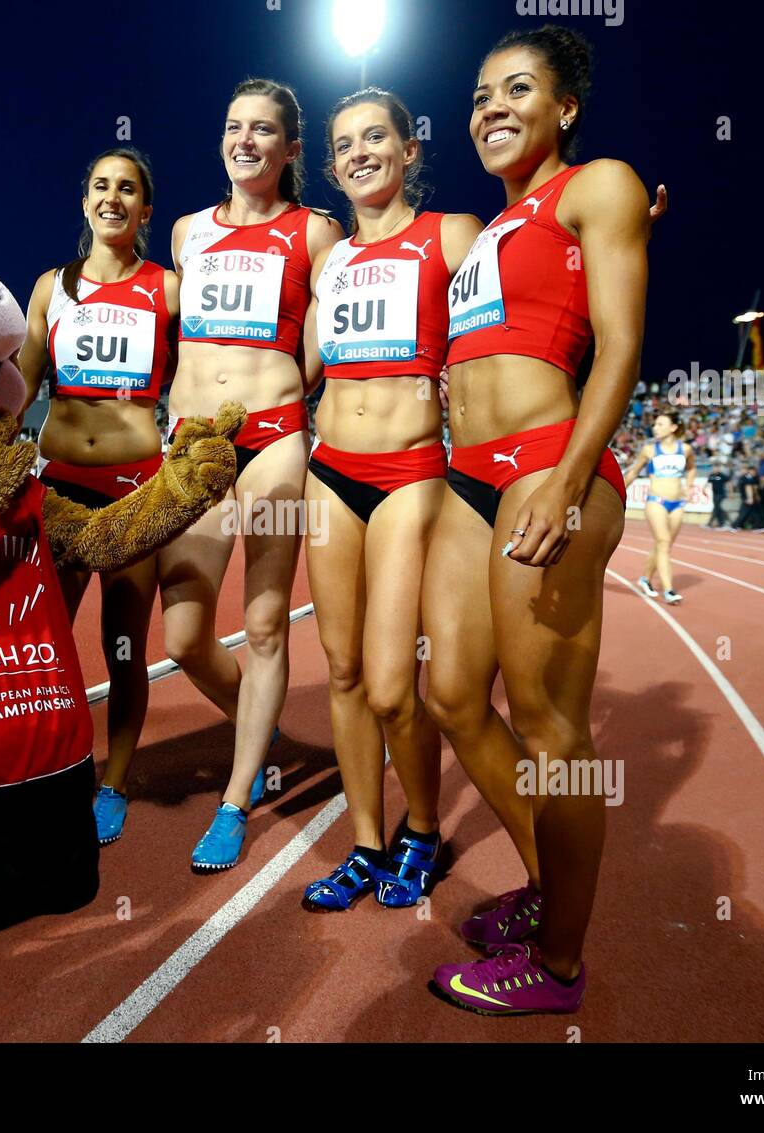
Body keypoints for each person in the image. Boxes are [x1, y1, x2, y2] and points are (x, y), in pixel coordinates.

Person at [425, 24, 650, 1016]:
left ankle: (558, 963)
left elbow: (619, 344)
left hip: (544, 464)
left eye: (517, 90)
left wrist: (563, 477)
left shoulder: (597, 183)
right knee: (450, 696)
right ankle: (540, 888)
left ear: (564, 107)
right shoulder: (494, 225)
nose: (491, 109)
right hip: (465, 476)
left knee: (551, 724)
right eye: (478, 95)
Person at [297, 88, 482, 911]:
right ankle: (367, 844)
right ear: (332, 164)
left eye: (377, 137)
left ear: (411, 151)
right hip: (328, 466)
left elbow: (511, 319)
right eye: (345, 143)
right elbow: (301, 370)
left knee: (389, 683)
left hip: (411, 473)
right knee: (340, 670)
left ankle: (424, 829)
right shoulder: (329, 257)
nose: (360, 151)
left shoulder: (450, 234)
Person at [159, 78, 343, 871]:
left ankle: (236, 800)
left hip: (273, 441)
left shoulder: (316, 233)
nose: (246, 140)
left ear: (289, 149)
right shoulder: (186, 232)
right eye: (235, 126)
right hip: (194, 447)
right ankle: (255, 722)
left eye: (264, 131)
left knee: (265, 624)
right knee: (186, 633)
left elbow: (320, 353)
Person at [18, 148, 176, 846]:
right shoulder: (52, 287)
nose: (113, 197)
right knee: (40, 643)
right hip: (60, 489)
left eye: (128, 189)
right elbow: (19, 383)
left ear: (146, 209)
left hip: (135, 489)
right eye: (101, 186)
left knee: (123, 647)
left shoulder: (167, 289)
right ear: (85, 201)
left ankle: (113, 783)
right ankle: (45, 768)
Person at [625, 412, 694, 604]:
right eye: (654, 424)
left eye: (660, 424)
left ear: (673, 428)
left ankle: (645, 579)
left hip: (678, 503)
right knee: (663, 542)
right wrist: (618, 491)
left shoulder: (686, 449)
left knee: (663, 545)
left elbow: (692, 468)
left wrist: (688, 486)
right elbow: (633, 472)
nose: (655, 427)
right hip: (656, 502)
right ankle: (669, 591)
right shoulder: (649, 450)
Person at [707, 460, 731, 528]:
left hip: (721, 494)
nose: (715, 469)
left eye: (717, 467)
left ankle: (709, 523)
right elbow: (708, 483)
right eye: (714, 467)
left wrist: (730, 492)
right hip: (714, 494)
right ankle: (722, 523)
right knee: (719, 509)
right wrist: (704, 489)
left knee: (716, 508)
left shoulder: (722, 475)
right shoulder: (711, 475)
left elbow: (729, 483)